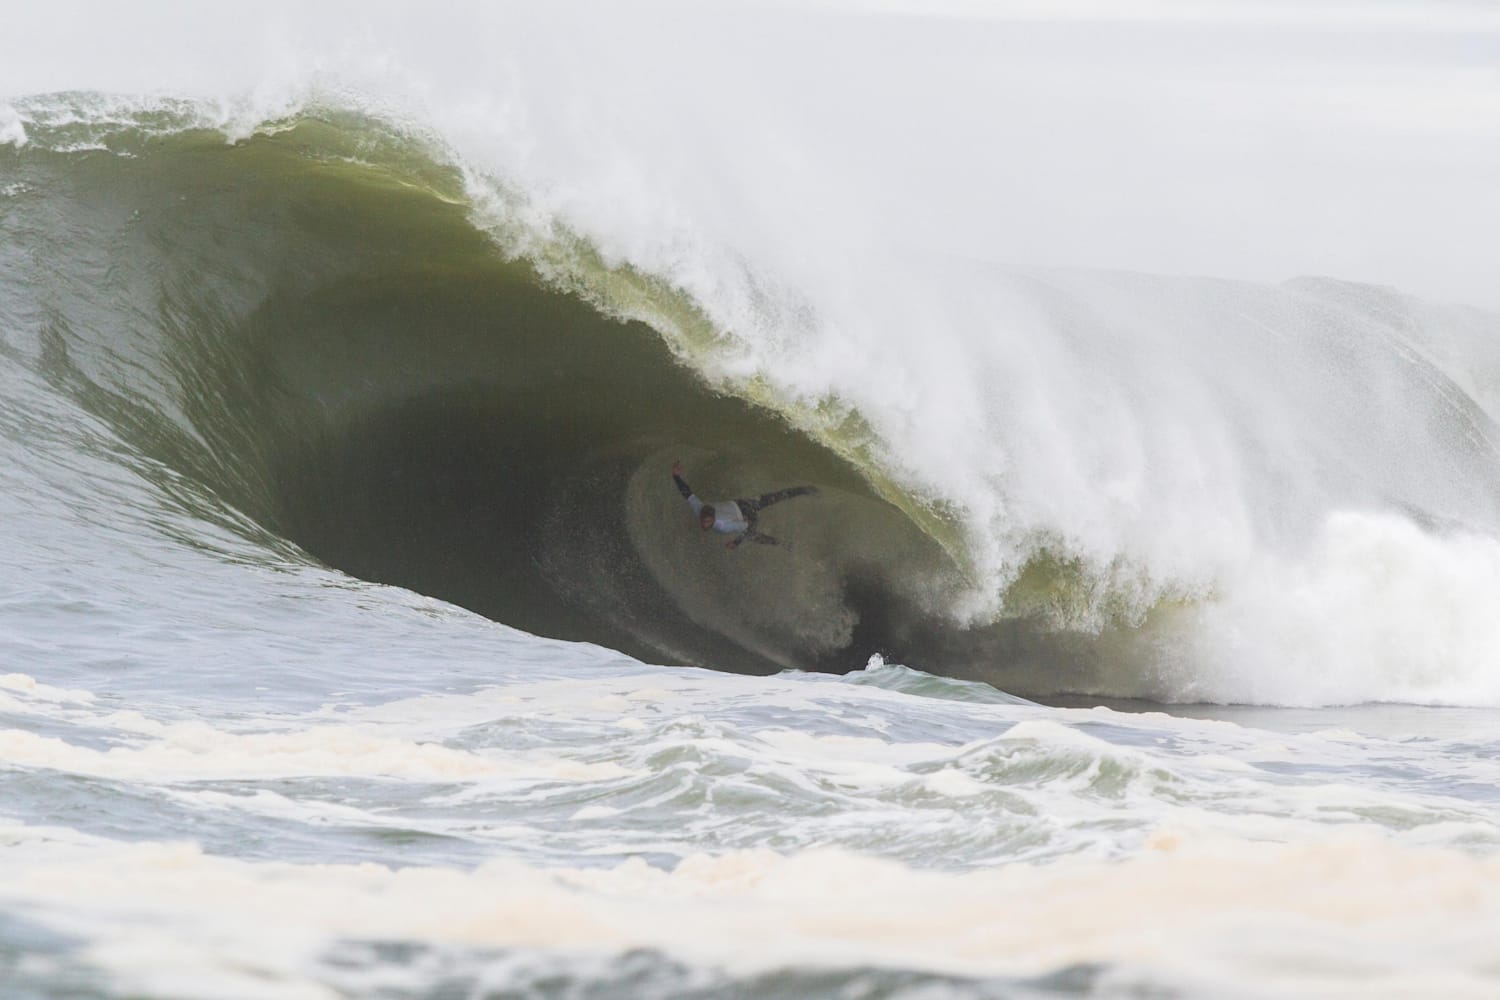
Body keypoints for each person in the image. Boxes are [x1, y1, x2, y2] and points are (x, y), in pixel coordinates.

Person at [672, 461, 817, 549]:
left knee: (752, 535)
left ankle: (782, 543)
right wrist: (676, 476)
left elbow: (746, 527)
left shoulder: (723, 526)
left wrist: (736, 543)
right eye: (704, 522)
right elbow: (687, 493)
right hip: (742, 503)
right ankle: (806, 490)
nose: (705, 525)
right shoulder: (699, 509)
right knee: (774, 498)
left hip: (747, 513)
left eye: (708, 522)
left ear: (714, 518)